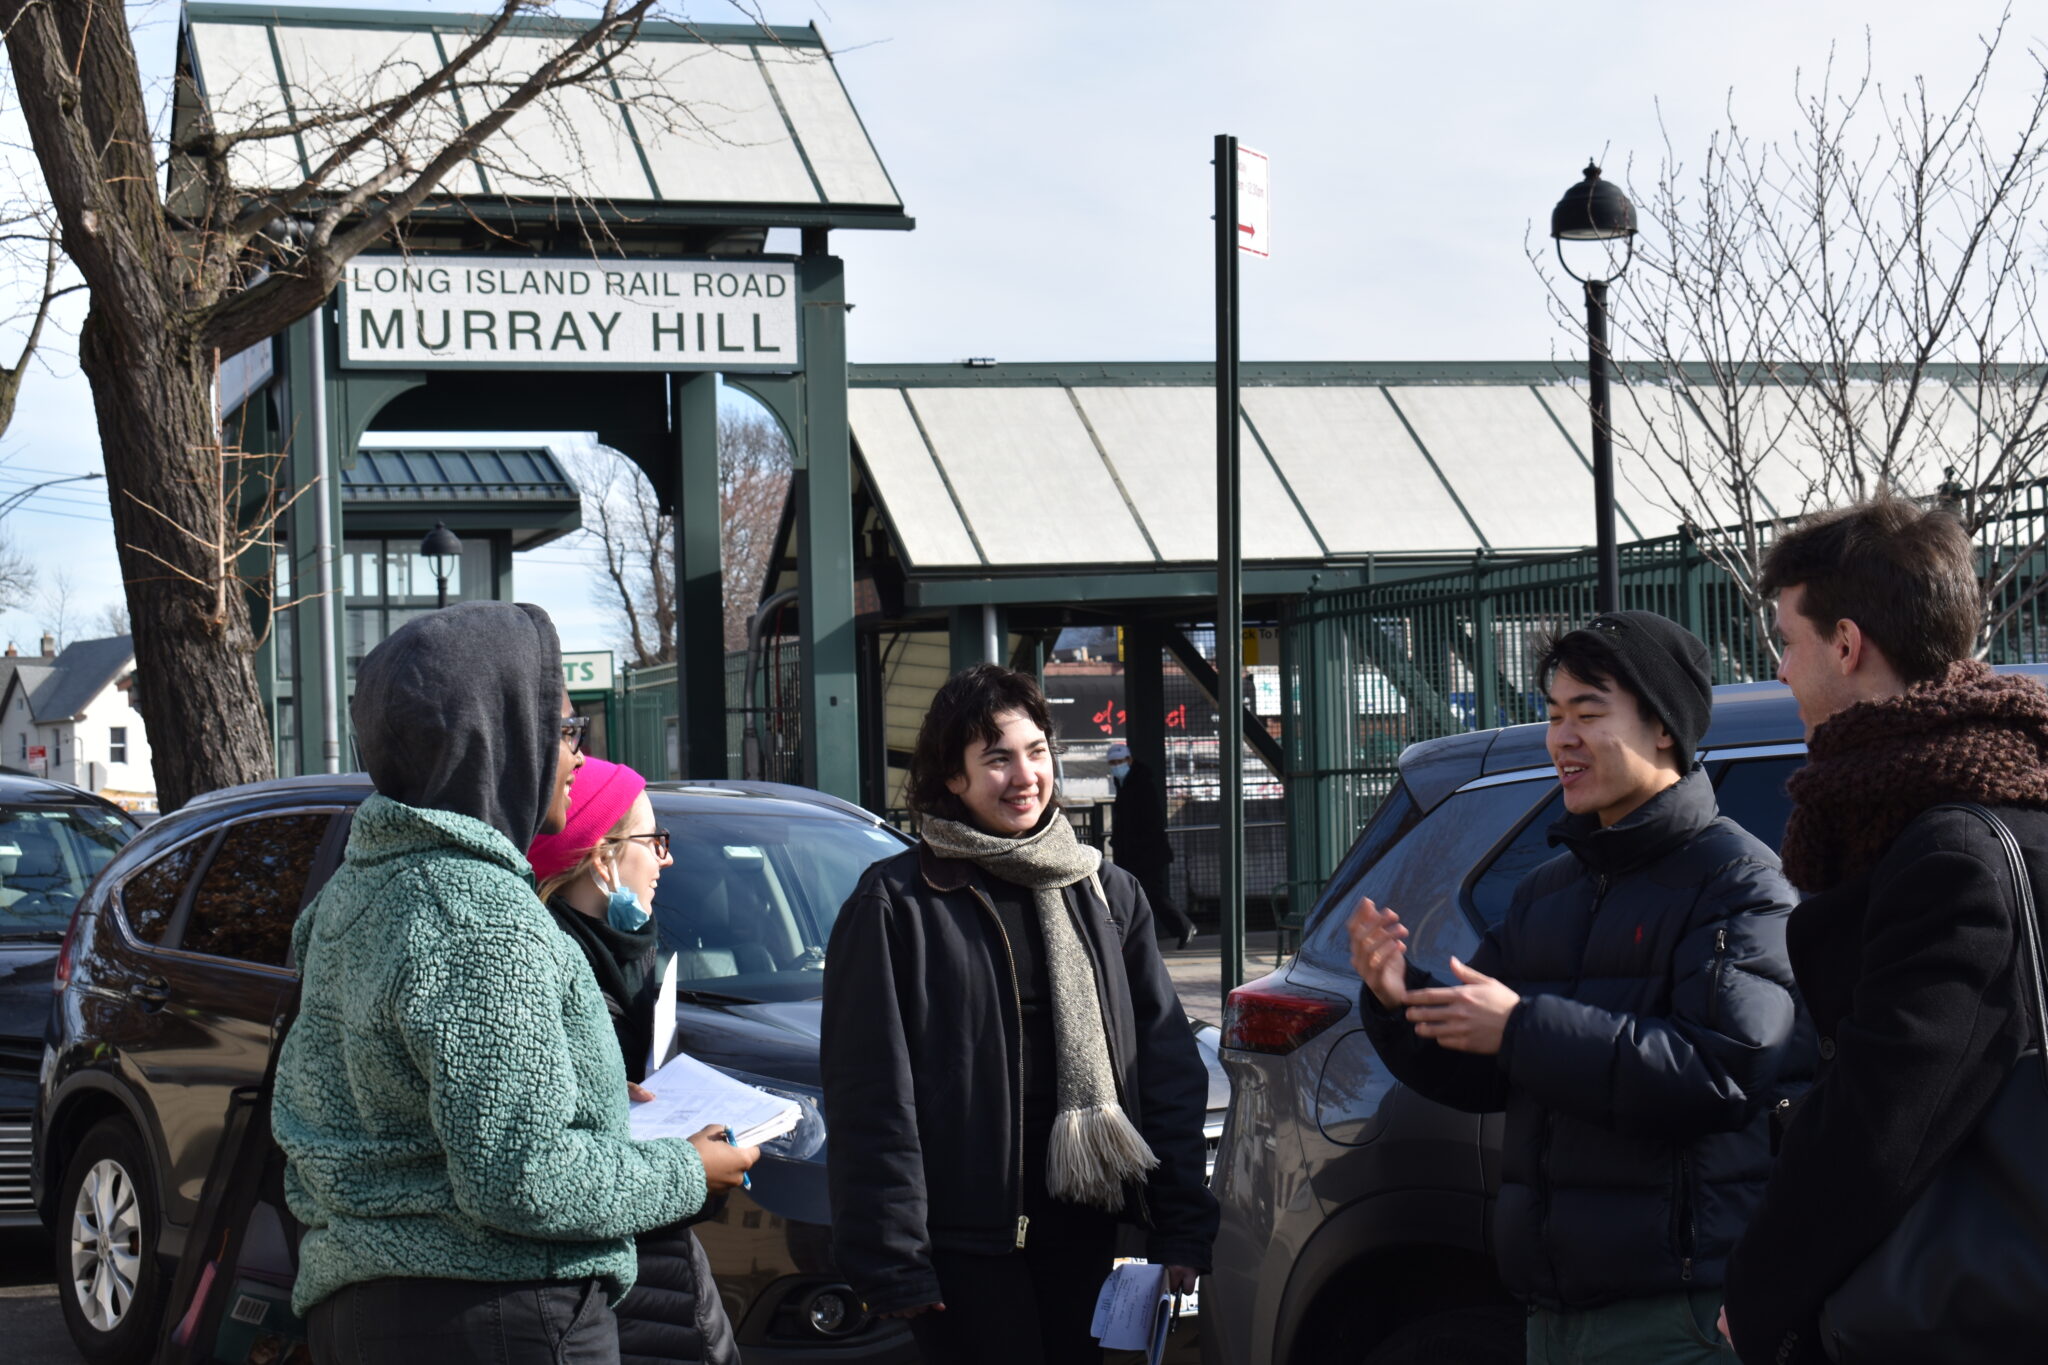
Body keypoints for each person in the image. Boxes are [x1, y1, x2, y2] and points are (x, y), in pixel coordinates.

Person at [273, 603, 756, 1365]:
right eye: (562, 729)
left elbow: (390, 1101)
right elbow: (523, 1177)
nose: (574, 756)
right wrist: (688, 1169)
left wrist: (583, 1084)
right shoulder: (478, 912)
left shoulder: (359, 888)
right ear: (493, 736)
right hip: (499, 1314)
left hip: (363, 1309)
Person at [1349, 611, 1804, 1364]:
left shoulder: (1740, 882)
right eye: (1554, 715)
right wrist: (1399, 1000)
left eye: (1588, 714)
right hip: (1551, 1317)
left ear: (1664, 728)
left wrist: (1522, 1027)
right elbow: (1485, 1065)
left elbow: (1720, 1071)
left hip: (1677, 1317)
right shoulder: (1545, 890)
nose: (1561, 737)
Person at [1721, 499, 2048, 1364]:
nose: (1782, 672)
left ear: (1846, 644)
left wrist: (1760, 1296)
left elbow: (1882, 1125)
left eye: (1788, 642)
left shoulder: (1950, 853)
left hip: (1963, 1313)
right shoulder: (2016, 795)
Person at [820, 664, 1217, 1365]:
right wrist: (893, 1258)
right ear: (953, 776)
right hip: (962, 1248)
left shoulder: (1106, 892)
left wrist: (1180, 1228)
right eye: (997, 758)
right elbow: (870, 1092)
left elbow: (1164, 1067)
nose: (1025, 774)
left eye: (1036, 751)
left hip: (1089, 1231)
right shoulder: (895, 904)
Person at [528, 757, 742, 1365]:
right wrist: (689, 1167)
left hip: (654, 1264)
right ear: (602, 860)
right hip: (605, 1282)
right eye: (654, 841)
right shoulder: (549, 972)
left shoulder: (630, 958)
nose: (666, 859)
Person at [1107, 740, 1197, 948]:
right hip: (1140, 852)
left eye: (1119, 761)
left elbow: (1142, 821)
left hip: (1143, 853)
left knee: (1150, 894)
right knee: (1143, 894)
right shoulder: (1132, 782)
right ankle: (1175, 928)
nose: (1116, 766)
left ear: (1129, 760)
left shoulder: (1138, 785)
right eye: (1113, 762)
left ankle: (1182, 926)